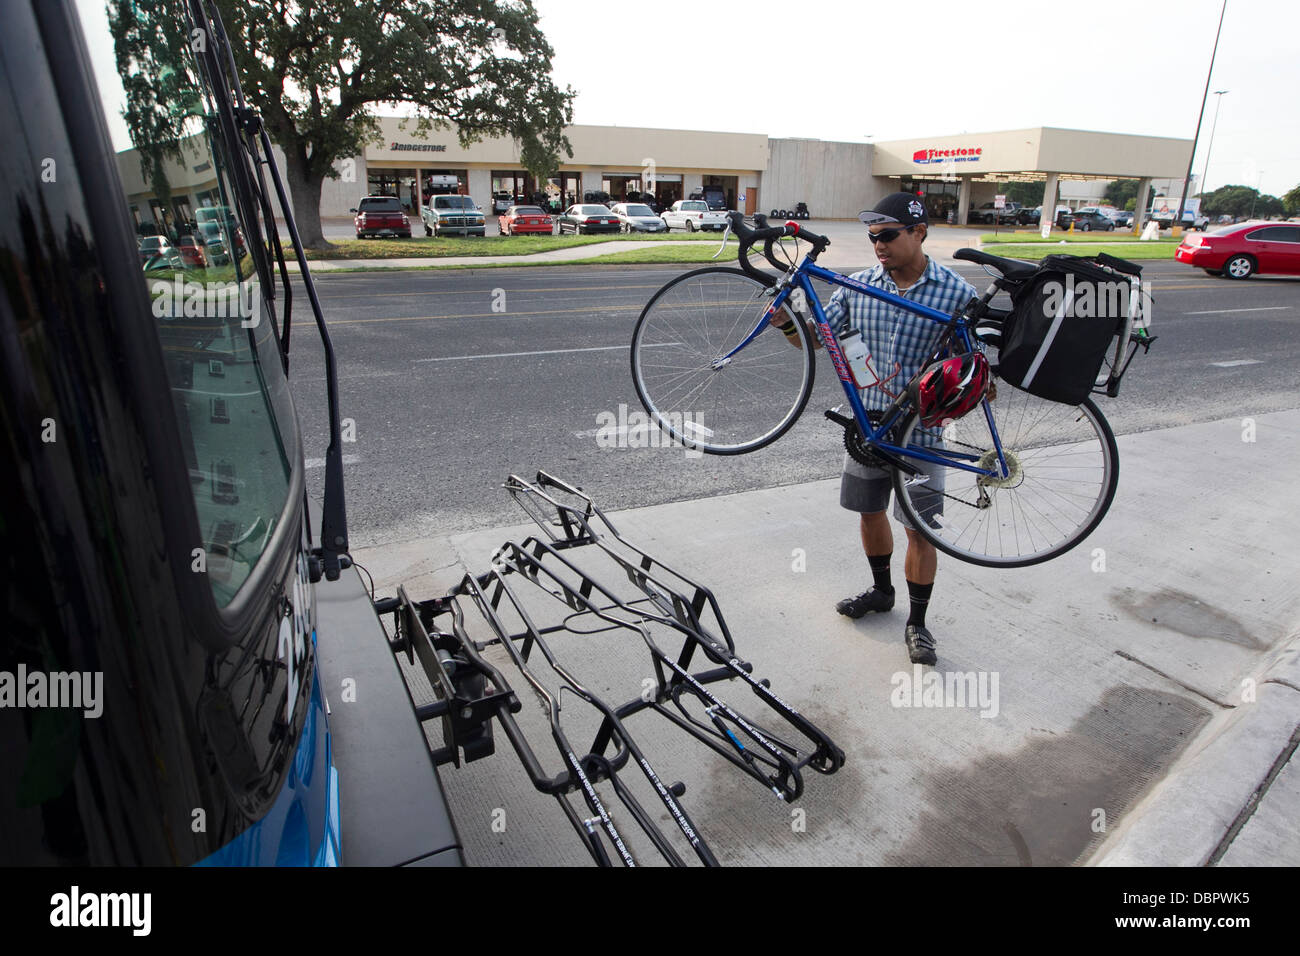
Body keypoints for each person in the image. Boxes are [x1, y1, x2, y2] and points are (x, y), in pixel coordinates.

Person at [821, 192, 977, 666]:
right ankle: (882, 591)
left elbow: (973, 370)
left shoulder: (955, 294)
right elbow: (819, 336)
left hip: (923, 435)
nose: (878, 246)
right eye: (872, 238)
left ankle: (918, 624)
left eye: (887, 236)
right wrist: (786, 322)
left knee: (921, 532)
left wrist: (970, 387)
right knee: (869, 513)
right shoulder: (858, 286)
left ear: (919, 233)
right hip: (868, 431)